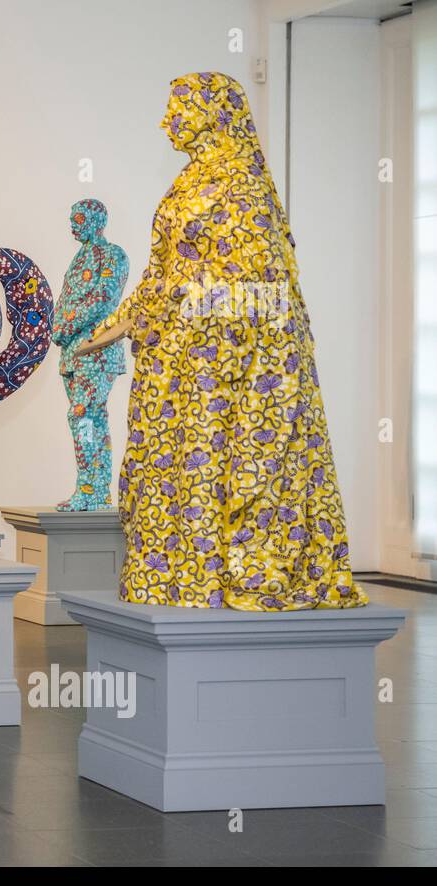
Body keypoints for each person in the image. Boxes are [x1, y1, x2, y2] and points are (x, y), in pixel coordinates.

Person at [76, 72, 366, 611]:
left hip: (236, 366)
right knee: (178, 462)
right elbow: (164, 274)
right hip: (186, 358)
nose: (167, 119)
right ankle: (180, 575)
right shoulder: (190, 181)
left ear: (212, 112)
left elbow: (258, 286)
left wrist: (182, 323)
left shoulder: (242, 184)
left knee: (230, 461)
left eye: (178, 107)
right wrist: (106, 329)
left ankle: (235, 571)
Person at [51, 198, 128, 511]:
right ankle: (96, 489)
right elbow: (64, 299)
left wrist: (65, 325)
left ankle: (91, 490)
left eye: (79, 217)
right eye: (72, 218)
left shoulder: (113, 254)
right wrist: (56, 325)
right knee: (90, 419)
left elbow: (104, 299)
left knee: (83, 416)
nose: (73, 223)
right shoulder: (78, 258)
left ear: (98, 220)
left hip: (98, 352)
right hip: (72, 354)